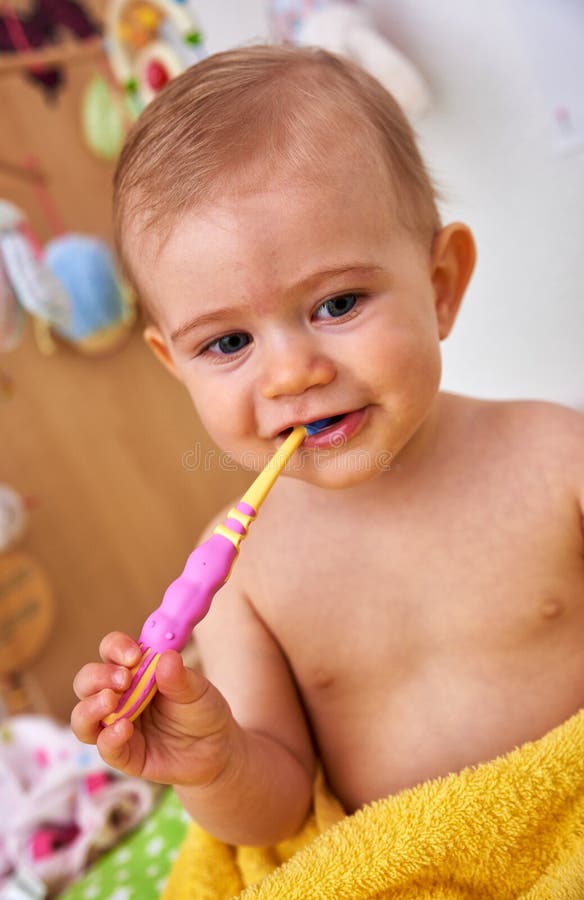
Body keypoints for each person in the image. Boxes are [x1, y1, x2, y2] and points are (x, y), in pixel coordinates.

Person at [71, 45, 584, 857]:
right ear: (175, 363)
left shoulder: (559, 461)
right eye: (228, 342)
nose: (291, 374)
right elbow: (273, 814)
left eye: (338, 303)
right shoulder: (241, 581)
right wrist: (213, 764)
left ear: (441, 284)